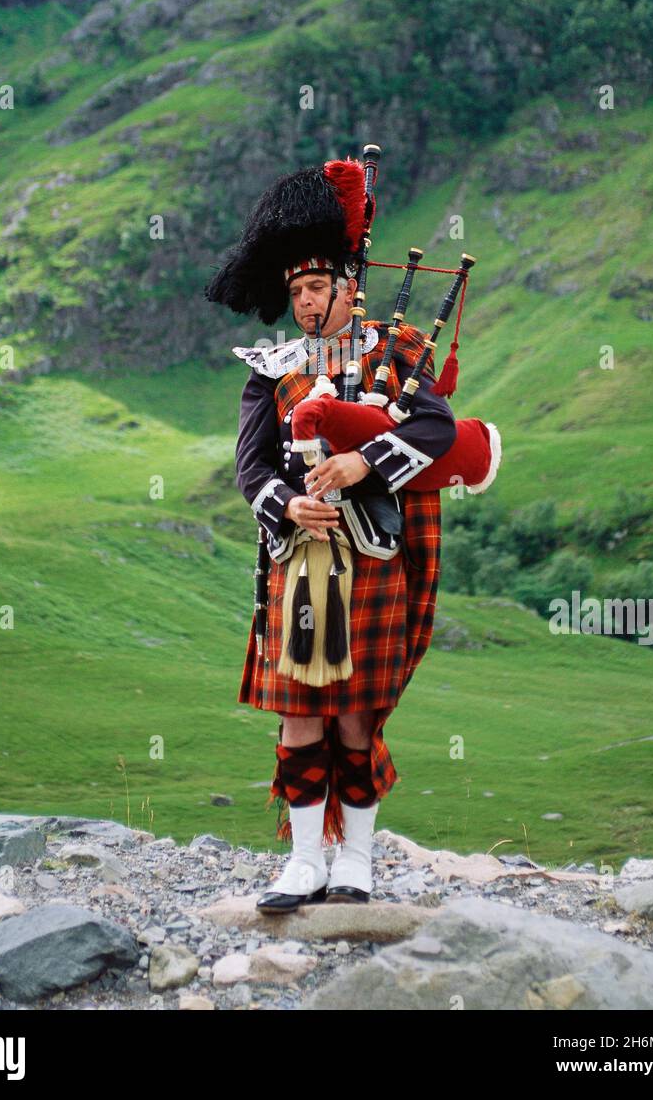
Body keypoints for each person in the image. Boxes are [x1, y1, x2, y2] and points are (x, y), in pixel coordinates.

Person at [205, 159, 456, 913]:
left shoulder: (395, 348)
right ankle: (303, 864)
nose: (306, 301)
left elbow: (436, 428)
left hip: (373, 552)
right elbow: (250, 469)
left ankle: (357, 863)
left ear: (350, 285)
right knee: (299, 711)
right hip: (298, 559)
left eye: (317, 287)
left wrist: (359, 461)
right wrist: (286, 505)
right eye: (296, 292)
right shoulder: (272, 367)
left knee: (354, 715)